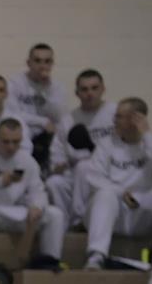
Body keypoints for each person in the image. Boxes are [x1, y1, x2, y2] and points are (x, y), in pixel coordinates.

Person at [82, 98, 152, 269]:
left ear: (136, 119)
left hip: (141, 215)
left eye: (119, 116)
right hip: (115, 212)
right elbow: (93, 177)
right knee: (105, 194)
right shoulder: (106, 144)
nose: (114, 121)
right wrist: (120, 192)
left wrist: (147, 136)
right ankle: (96, 257)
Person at [0, 118, 67, 268]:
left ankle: (50, 262)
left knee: (55, 214)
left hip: (13, 212)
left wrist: (37, 206)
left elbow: (38, 191)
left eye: (16, 142)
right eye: (6, 142)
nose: (11, 147)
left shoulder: (27, 161)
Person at [46, 69, 112, 216]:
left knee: (85, 166)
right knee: (54, 183)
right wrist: (59, 166)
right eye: (84, 89)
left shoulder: (115, 114)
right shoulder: (68, 120)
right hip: (76, 175)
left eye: (94, 88)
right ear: (77, 93)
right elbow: (57, 153)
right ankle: (65, 224)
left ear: (103, 89)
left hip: (109, 174)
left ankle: (80, 218)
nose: (90, 93)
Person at [5, 43, 68, 169]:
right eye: (37, 61)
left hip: (46, 136)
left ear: (52, 64)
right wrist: (42, 122)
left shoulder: (56, 87)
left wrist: (47, 89)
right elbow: (12, 114)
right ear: (29, 63)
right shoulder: (15, 83)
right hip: (22, 133)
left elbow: (59, 116)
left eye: (47, 61)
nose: (42, 66)